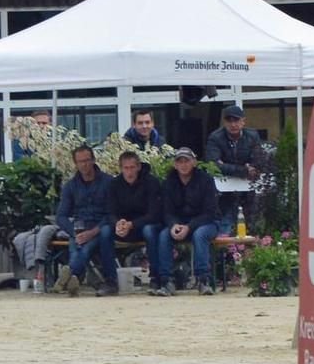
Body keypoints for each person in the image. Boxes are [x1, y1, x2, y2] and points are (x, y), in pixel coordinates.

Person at [54, 144, 116, 296]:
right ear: (75, 163)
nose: (84, 164)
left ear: (93, 160)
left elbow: (112, 213)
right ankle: (73, 279)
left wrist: (92, 232)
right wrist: (74, 233)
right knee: (79, 247)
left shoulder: (109, 182)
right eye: (80, 161)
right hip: (79, 228)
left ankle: (69, 274)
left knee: (86, 247)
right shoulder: (70, 186)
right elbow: (61, 216)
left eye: (87, 160)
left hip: (101, 227)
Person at [161, 146, 222, 295]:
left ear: (194, 162)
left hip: (207, 223)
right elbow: (166, 211)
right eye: (180, 161)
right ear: (175, 164)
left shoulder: (206, 180)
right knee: (163, 235)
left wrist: (189, 226)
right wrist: (173, 225)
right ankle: (166, 281)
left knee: (199, 235)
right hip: (179, 224)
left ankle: (203, 280)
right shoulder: (169, 182)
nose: (183, 165)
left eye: (186, 161)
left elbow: (210, 212)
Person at [110, 149, 168, 295]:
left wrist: (132, 224)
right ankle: (109, 279)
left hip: (146, 225)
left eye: (132, 167)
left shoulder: (151, 182)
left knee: (149, 231)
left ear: (138, 167)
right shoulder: (114, 184)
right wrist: (117, 223)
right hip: (124, 227)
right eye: (126, 168)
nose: (129, 172)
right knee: (104, 232)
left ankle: (155, 277)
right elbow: (110, 211)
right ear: (121, 168)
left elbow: (154, 214)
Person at [205, 105, 262, 231]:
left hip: (248, 188)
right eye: (229, 121)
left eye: (236, 120)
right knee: (226, 224)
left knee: (252, 225)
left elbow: (258, 160)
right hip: (224, 191)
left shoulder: (252, 135)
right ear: (224, 122)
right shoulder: (215, 137)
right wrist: (243, 170)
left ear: (243, 121)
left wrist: (226, 166)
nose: (233, 124)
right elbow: (213, 165)